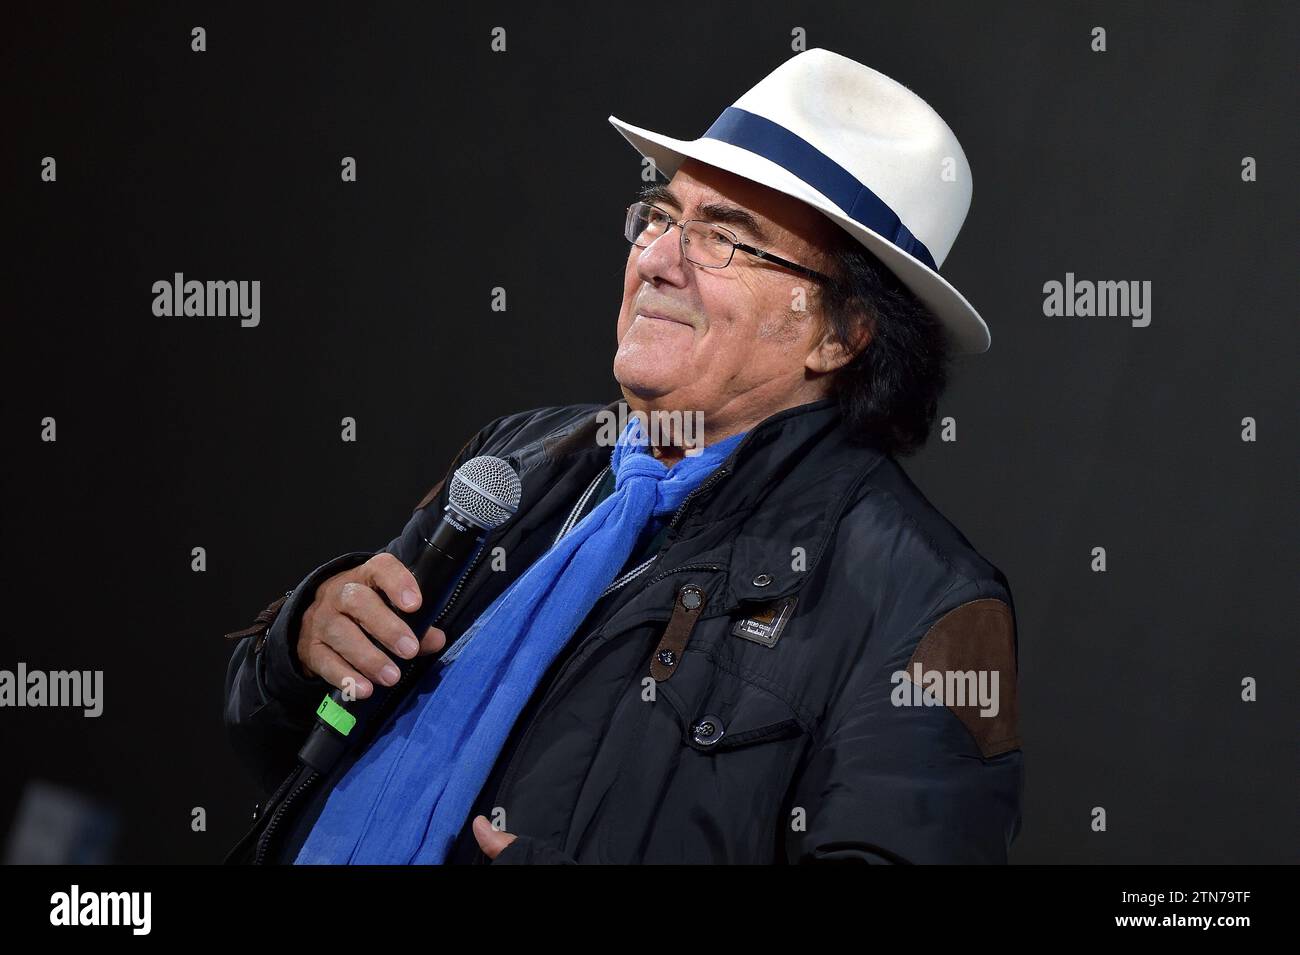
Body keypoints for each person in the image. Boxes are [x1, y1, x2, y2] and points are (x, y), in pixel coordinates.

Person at [222, 48, 1022, 864]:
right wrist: (298, 645)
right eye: (663, 216)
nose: (658, 260)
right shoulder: (516, 455)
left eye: (725, 241)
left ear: (841, 333)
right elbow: (277, 754)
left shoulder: (921, 597)